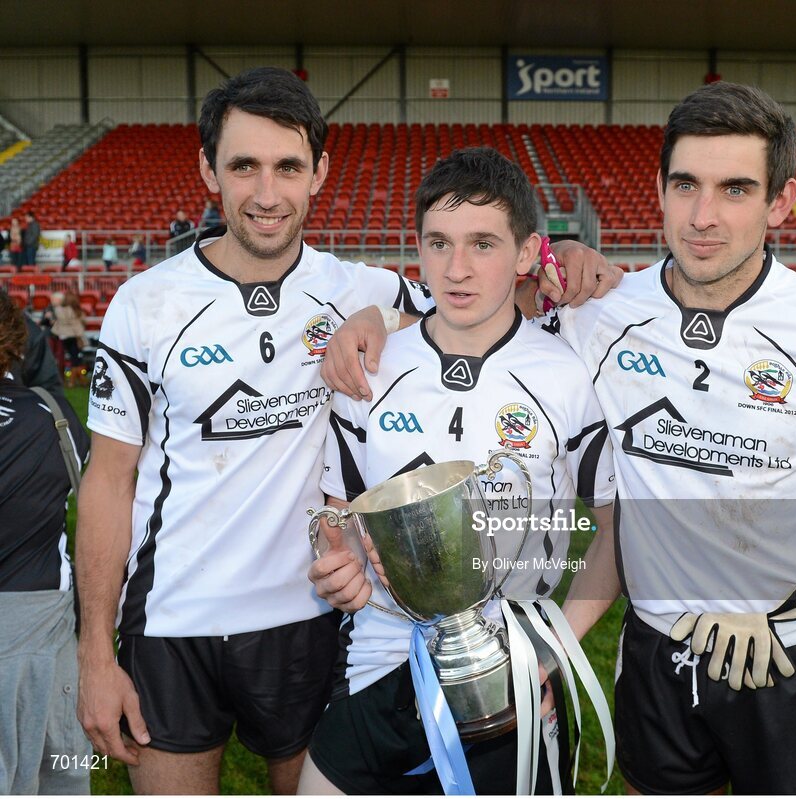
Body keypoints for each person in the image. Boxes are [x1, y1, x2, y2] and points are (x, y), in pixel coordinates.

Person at [322, 82, 796, 795]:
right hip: (653, 648)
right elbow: (481, 314)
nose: (704, 215)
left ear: (781, 201)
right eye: (686, 185)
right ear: (658, 188)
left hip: (779, 655)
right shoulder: (606, 311)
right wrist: (378, 321)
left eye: (736, 188)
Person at [75, 66, 615, 796]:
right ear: (209, 169)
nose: (267, 194)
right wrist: (93, 656)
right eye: (244, 166)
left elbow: (473, 297)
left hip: (308, 618)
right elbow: (108, 480)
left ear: (319, 173)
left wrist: (566, 258)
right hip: (173, 620)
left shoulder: (363, 288)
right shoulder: (144, 306)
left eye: (288, 167)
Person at [299, 147, 617, 796]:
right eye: (439, 243)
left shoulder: (566, 375)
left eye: (483, 243)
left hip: (511, 679)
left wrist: (549, 655)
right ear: (417, 248)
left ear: (529, 253)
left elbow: (620, 533)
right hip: (380, 659)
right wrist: (338, 567)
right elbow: (339, 520)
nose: (457, 267)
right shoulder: (371, 368)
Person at [0, 288, 92, 794]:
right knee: (59, 770)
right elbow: (103, 501)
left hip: (38, 617)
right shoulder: (51, 412)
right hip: (41, 621)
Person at [50, 291, 88, 386]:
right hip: (75, 335)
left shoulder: (58, 310)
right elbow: (83, 321)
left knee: (72, 358)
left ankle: (79, 380)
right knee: (75, 358)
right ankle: (75, 381)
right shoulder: (76, 310)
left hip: (63, 335)